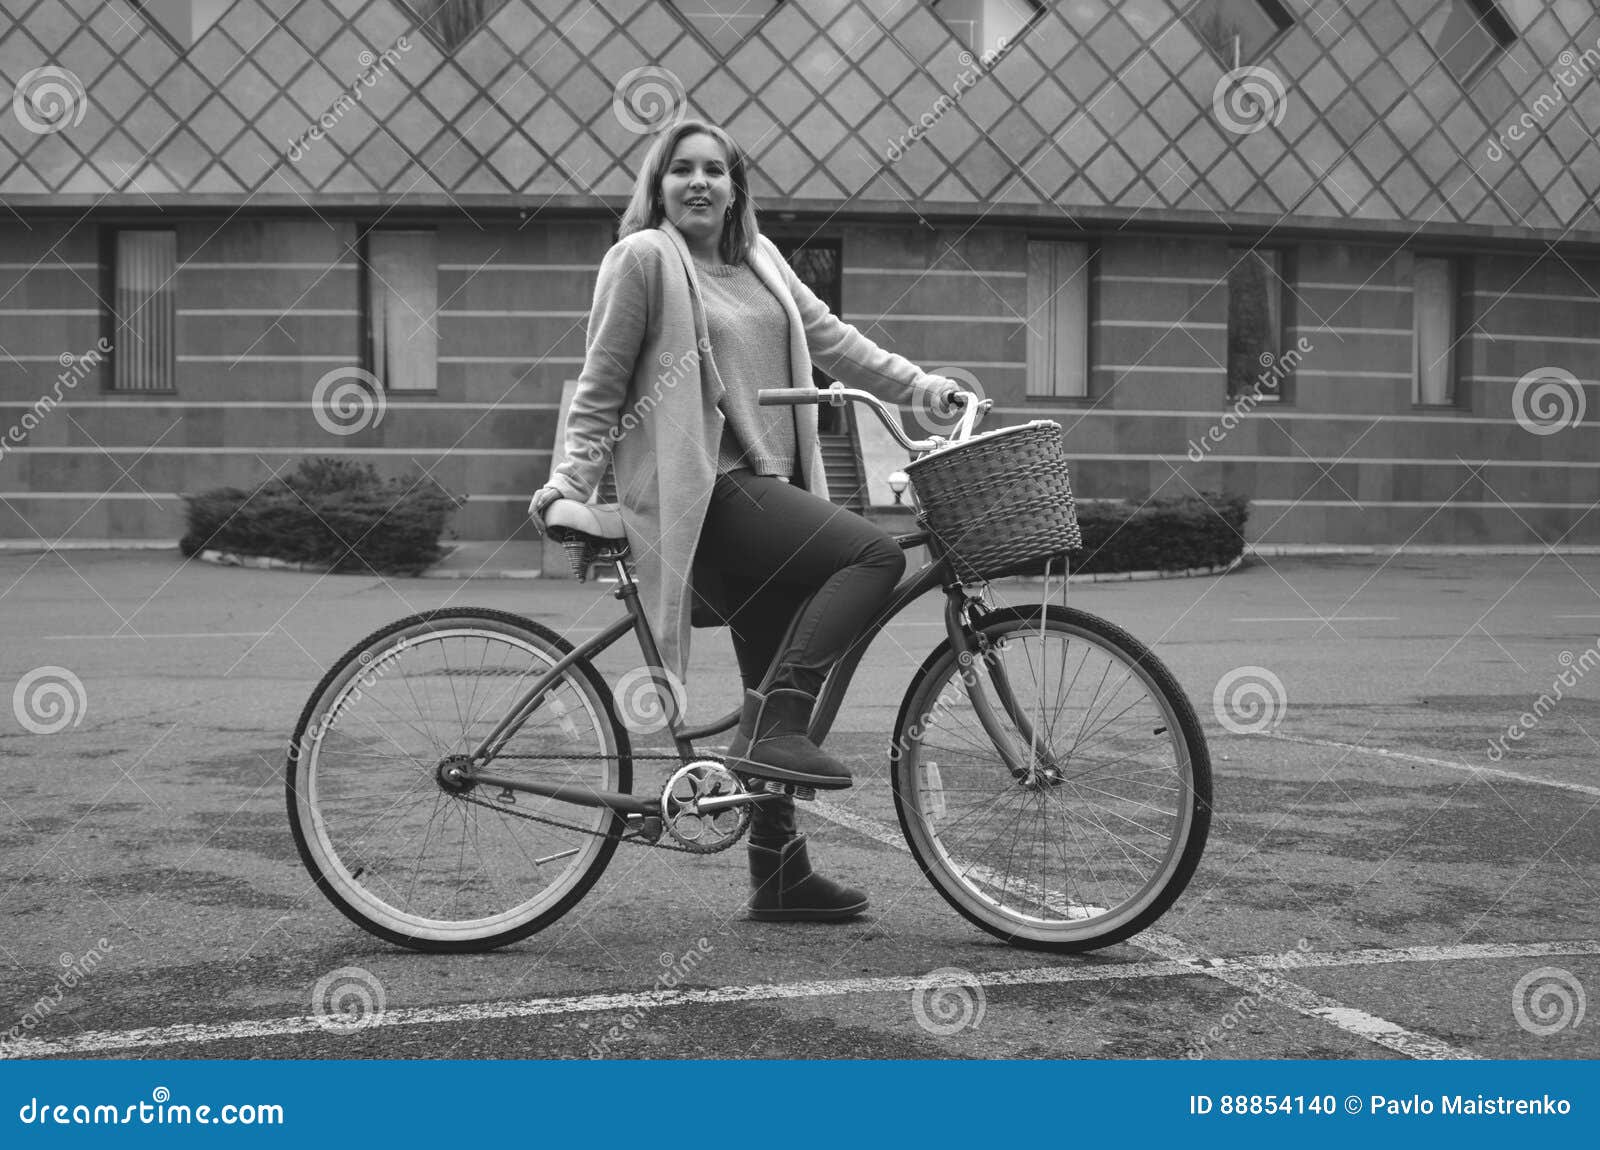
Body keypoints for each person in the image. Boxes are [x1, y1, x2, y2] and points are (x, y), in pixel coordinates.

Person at [528, 118, 963, 923]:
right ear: (657, 186)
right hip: (711, 492)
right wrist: (564, 484)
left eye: (715, 171)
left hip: (769, 488)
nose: (700, 183)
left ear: (736, 187)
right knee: (871, 556)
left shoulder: (760, 261)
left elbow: (834, 338)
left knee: (767, 678)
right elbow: (600, 385)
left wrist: (919, 384)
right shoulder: (646, 259)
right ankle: (774, 734)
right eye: (681, 170)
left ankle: (779, 874)